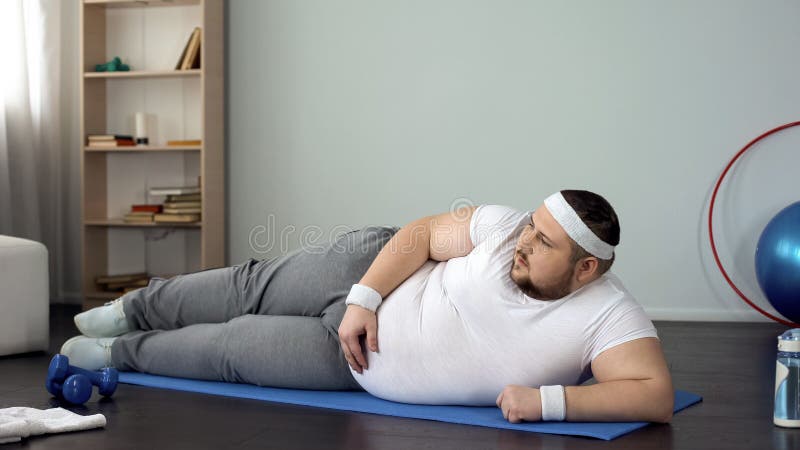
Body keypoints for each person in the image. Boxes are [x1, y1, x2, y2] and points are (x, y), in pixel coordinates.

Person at [62, 190, 674, 424]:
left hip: (355, 366)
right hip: (368, 274)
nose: (524, 241)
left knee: (231, 350)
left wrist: (545, 402)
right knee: (248, 287)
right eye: (531, 227)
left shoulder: (607, 313)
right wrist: (363, 299)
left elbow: (653, 393)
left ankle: (121, 351)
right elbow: (422, 233)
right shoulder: (503, 227)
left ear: (586, 268)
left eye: (543, 243)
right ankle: (133, 307)